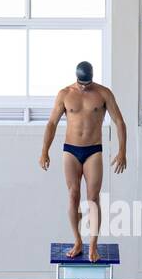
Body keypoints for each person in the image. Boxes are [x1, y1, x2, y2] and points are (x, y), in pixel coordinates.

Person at [39, 62, 128, 263]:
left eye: (87, 83)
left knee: (93, 198)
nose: (84, 87)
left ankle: (93, 244)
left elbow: (119, 122)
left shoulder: (103, 94)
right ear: (76, 78)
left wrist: (122, 151)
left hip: (93, 151)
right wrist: (44, 151)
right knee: (72, 196)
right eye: (81, 83)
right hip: (70, 150)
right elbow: (51, 123)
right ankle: (78, 240)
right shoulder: (64, 93)